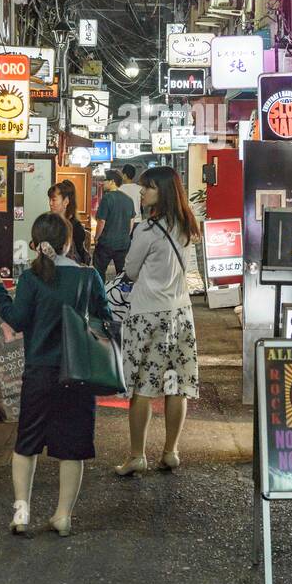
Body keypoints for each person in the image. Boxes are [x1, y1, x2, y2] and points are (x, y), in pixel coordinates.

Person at [0, 213, 111, 537]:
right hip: (78, 373)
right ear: (68, 242)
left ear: (36, 245)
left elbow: (17, 319)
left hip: (39, 372)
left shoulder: (31, 279)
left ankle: (21, 514)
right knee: (71, 447)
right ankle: (63, 516)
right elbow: (104, 319)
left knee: (26, 444)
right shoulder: (89, 276)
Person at [115, 165, 200, 475]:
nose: (142, 191)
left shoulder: (146, 231)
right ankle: (171, 451)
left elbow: (132, 270)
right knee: (176, 384)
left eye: (148, 187)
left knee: (142, 387)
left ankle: (137, 455)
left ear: (161, 192)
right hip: (180, 314)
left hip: (147, 315)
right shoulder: (187, 225)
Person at [93, 169, 133, 280]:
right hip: (123, 244)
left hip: (106, 243)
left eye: (105, 180)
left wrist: (96, 237)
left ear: (112, 182)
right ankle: (121, 294)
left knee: (99, 272)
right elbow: (131, 222)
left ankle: (101, 294)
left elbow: (101, 221)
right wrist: (125, 235)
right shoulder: (128, 199)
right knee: (122, 273)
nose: (103, 183)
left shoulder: (107, 198)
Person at [48, 180, 89, 263]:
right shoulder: (49, 222)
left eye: (54, 200)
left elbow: (79, 253)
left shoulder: (75, 227)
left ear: (66, 201)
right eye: (49, 200)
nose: (50, 203)